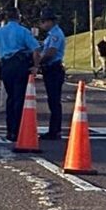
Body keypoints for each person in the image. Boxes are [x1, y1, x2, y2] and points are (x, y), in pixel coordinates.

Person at [0, 7, 40, 141]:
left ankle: (10, 130)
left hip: (6, 67)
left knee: (10, 97)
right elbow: (36, 50)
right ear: (18, 17)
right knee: (19, 97)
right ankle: (18, 129)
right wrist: (36, 66)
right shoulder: (23, 31)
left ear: (6, 18)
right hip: (20, 65)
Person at [38, 8, 66, 140]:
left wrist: (38, 62)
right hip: (50, 69)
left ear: (50, 21)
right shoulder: (51, 34)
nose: (42, 24)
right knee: (52, 100)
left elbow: (51, 52)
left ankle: (55, 130)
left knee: (54, 101)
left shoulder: (56, 34)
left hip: (53, 69)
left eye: (43, 21)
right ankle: (54, 129)